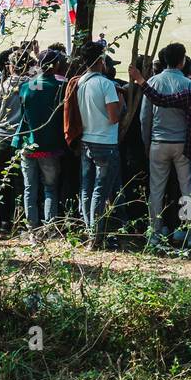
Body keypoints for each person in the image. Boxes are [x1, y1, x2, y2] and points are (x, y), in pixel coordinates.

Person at [133, 42, 191, 245]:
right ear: (182, 60)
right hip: (182, 143)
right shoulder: (190, 85)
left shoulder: (152, 82)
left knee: (156, 189)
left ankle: (155, 231)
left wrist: (146, 143)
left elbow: (145, 118)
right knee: (187, 188)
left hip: (158, 142)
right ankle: (187, 231)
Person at [74, 41, 125, 248]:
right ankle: (95, 235)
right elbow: (114, 117)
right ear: (101, 61)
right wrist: (121, 100)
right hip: (105, 142)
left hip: (87, 140)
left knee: (87, 189)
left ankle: (89, 230)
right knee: (100, 190)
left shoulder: (80, 82)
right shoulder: (106, 84)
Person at [15, 50, 68, 235]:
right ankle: (50, 226)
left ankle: (31, 227)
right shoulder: (61, 86)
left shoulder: (26, 86)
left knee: (30, 188)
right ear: (55, 66)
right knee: (50, 188)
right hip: (50, 146)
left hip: (27, 144)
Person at [0, 49, 33, 239]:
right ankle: (20, 224)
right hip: (22, 139)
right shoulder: (32, 87)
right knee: (22, 182)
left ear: (10, 66)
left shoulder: (1, 88)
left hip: (2, 138)